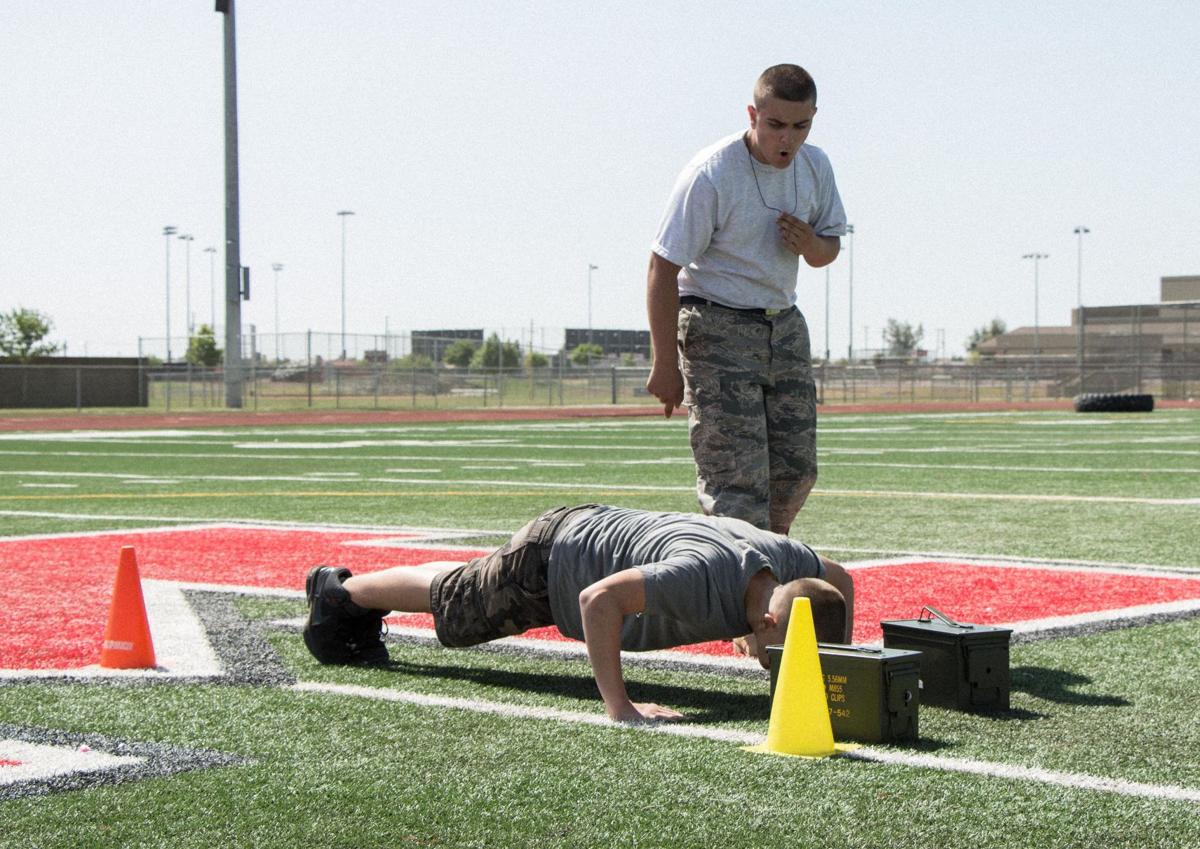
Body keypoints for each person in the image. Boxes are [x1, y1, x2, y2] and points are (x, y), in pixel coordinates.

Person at [303, 504, 854, 724]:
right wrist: (622, 705)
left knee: (470, 582)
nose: (770, 665)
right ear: (768, 624)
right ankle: (340, 593)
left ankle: (379, 587)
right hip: (553, 563)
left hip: (588, 537)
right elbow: (598, 601)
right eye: (775, 657)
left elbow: (841, 580)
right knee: (460, 607)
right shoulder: (700, 577)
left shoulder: (792, 564)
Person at [645, 64, 847, 535]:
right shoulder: (712, 173)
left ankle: (764, 568)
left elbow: (828, 251)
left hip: (784, 325)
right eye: (775, 124)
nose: (787, 139)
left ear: (813, 119)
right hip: (717, 326)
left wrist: (809, 244)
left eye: (800, 126)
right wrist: (664, 364)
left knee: (796, 472)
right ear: (752, 115)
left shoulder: (816, 165)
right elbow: (662, 266)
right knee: (737, 486)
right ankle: (737, 588)